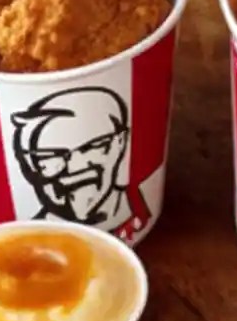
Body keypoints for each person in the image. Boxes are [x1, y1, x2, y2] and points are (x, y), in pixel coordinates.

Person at [12, 87, 150, 237]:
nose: (74, 167)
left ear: (120, 143)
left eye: (92, 147)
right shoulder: (23, 238)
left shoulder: (143, 207)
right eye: (48, 157)